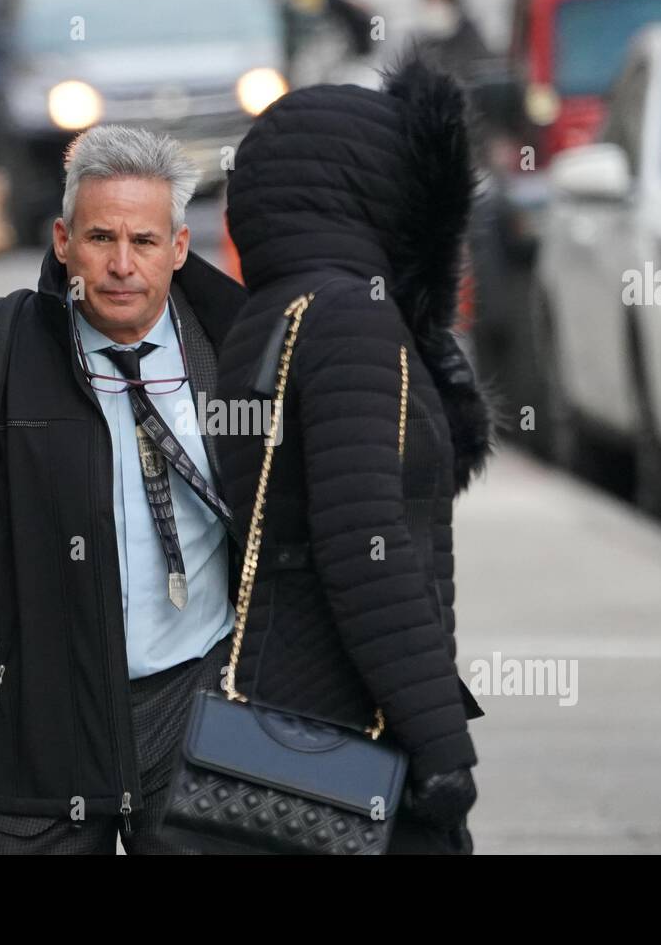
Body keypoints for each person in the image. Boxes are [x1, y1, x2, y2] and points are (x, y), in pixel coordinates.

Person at [0, 125, 249, 854]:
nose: (122, 264)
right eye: (100, 237)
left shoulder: (240, 357)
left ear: (180, 248)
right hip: (30, 732)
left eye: (145, 242)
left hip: (198, 714)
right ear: (63, 241)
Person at [214, 48, 494, 854]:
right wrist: (441, 740)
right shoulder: (349, 323)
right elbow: (364, 548)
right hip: (354, 735)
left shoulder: (267, 320)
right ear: (381, 194)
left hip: (278, 726)